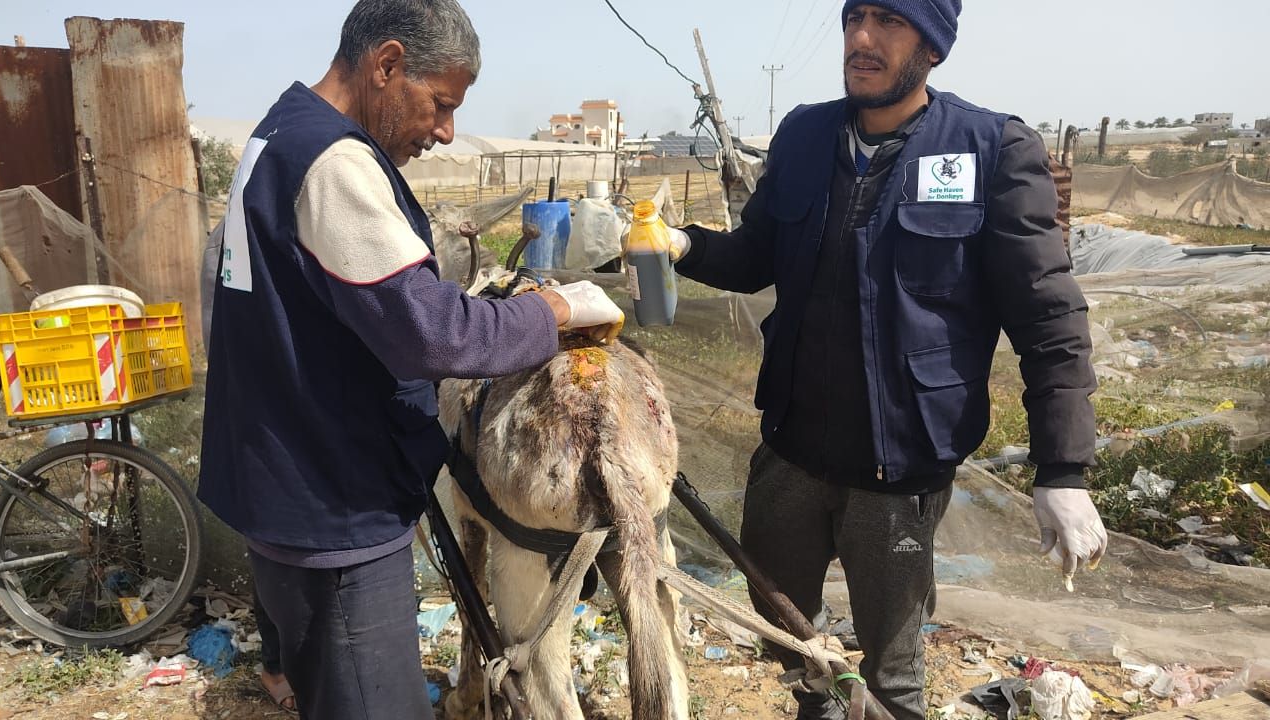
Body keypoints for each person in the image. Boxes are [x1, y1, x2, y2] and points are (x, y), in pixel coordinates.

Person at [664, 2, 1108, 719]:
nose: (862, 39)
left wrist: (1063, 470)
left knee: (892, 672)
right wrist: (681, 244)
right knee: (794, 640)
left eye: (890, 21)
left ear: (932, 47)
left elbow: (1048, 315)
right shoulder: (807, 134)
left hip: (899, 471)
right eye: (855, 17)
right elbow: (755, 256)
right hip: (792, 450)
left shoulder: (989, 148)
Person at [197, 1, 622, 718]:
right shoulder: (333, 163)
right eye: (440, 104)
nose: (446, 131)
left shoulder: (277, 133)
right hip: (336, 512)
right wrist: (550, 311)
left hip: (284, 489)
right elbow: (435, 337)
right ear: (387, 65)